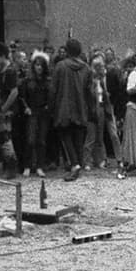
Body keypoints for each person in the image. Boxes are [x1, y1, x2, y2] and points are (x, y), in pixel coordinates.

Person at [49, 38, 95, 181]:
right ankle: (77, 164)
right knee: (78, 138)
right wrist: (91, 108)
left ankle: (75, 165)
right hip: (81, 108)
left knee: (66, 136)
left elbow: (53, 89)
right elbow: (90, 92)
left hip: (64, 108)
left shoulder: (60, 66)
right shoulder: (87, 68)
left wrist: (51, 107)